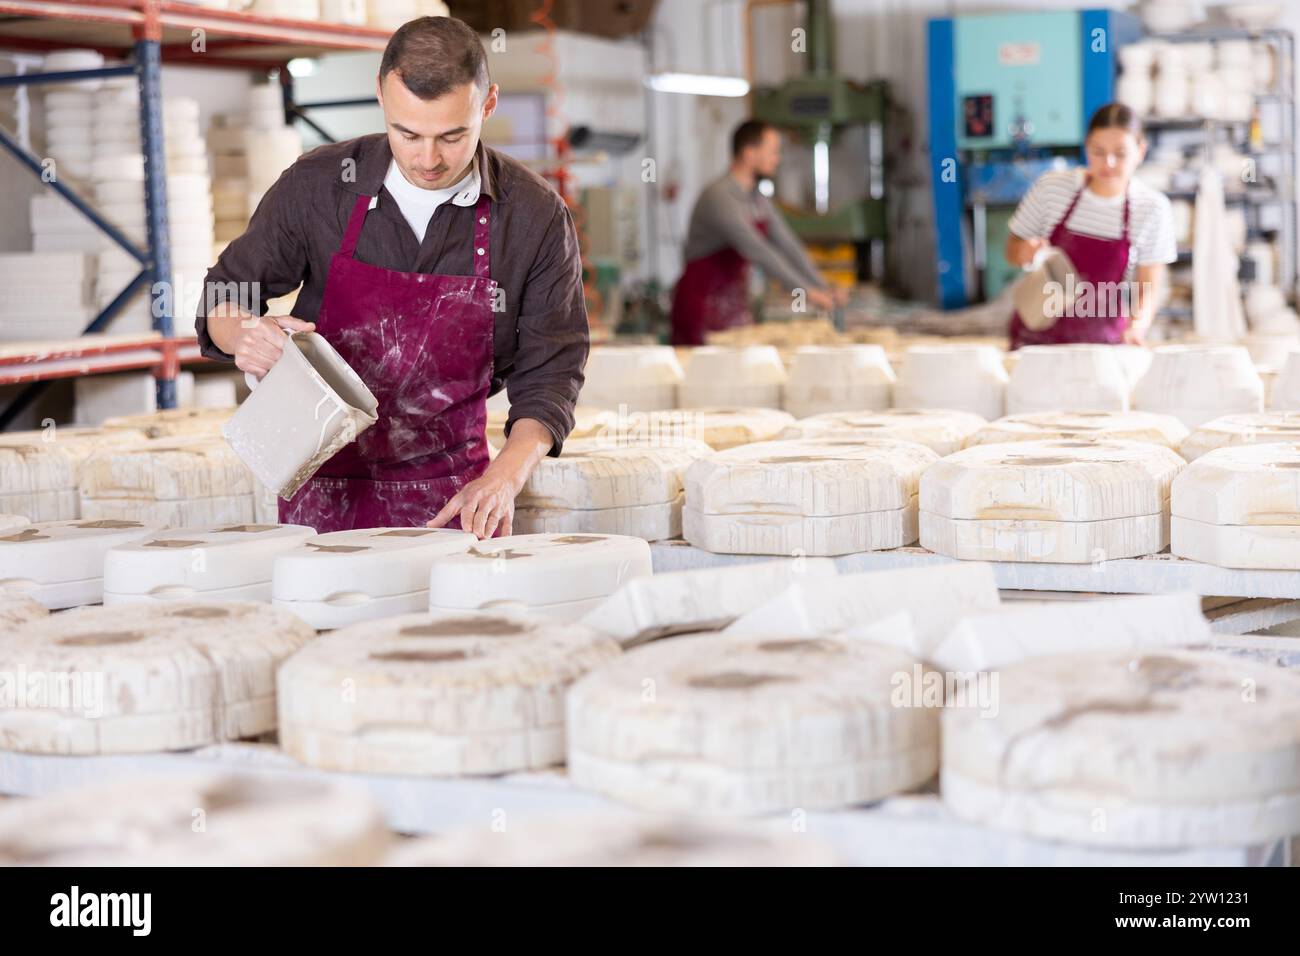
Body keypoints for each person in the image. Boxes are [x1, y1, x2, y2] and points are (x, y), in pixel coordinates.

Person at [197, 16, 588, 538]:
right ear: (380, 94)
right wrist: (242, 332)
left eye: (453, 136)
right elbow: (226, 292)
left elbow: (552, 373)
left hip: (456, 501)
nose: (428, 159)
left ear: (487, 104)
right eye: (408, 134)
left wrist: (504, 478)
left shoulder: (533, 217)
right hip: (323, 497)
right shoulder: (320, 187)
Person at [1005, 102, 1176, 348]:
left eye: (1120, 153)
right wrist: (1026, 252)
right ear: (1086, 148)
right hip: (1036, 339)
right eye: (1098, 151)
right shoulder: (1052, 189)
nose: (1108, 163)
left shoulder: (1152, 209)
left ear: (1140, 151)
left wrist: (1137, 326)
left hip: (1102, 345)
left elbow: (1148, 285)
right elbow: (1012, 251)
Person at [669, 119, 844, 346]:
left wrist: (822, 286)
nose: (777, 159)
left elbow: (788, 245)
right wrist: (806, 293)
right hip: (701, 307)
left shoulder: (758, 199)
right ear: (749, 154)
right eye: (772, 152)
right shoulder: (719, 197)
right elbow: (759, 251)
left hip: (734, 306)